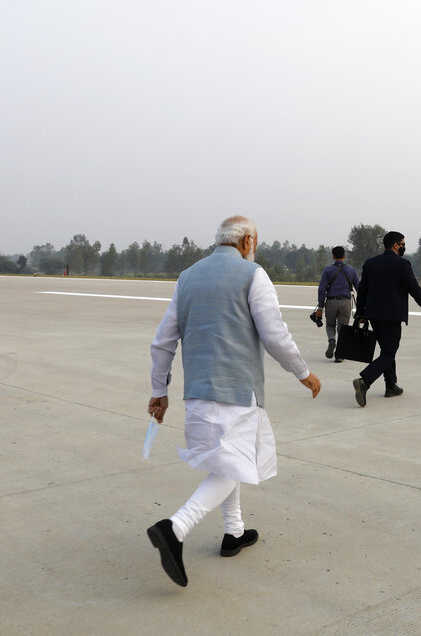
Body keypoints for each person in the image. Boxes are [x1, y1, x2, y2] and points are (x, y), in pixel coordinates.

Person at [146, 216, 321, 587]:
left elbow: (163, 341)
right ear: (246, 242)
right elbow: (274, 333)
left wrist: (158, 390)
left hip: (197, 391)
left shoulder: (187, 277)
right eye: (255, 242)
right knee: (236, 463)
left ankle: (234, 532)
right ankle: (175, 527)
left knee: (228, 461)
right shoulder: (252, 274)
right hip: (238, 393)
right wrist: (302, 371)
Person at [351, 231, 421, 407]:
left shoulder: (370, 263)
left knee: (387, 350)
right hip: (392, 316)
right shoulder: (402, 264)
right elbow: (413, 287)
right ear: (395, 245)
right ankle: (364, 380)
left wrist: (360, 313)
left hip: (374, 315)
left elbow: (363, 289)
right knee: (389, 353)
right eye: (402, 243)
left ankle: (391, 385)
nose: (403, 246)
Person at [315, 246, 359, 362]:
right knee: (343, 329)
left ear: (333, 256)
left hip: (331, 302)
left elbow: (321, 289)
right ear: (344, 256)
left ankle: (331, 340)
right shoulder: (351, 270)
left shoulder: (328, 270)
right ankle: (340, 355)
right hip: (346, 302)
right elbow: (359, 288)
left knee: (330, 325)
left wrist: (320, 306)